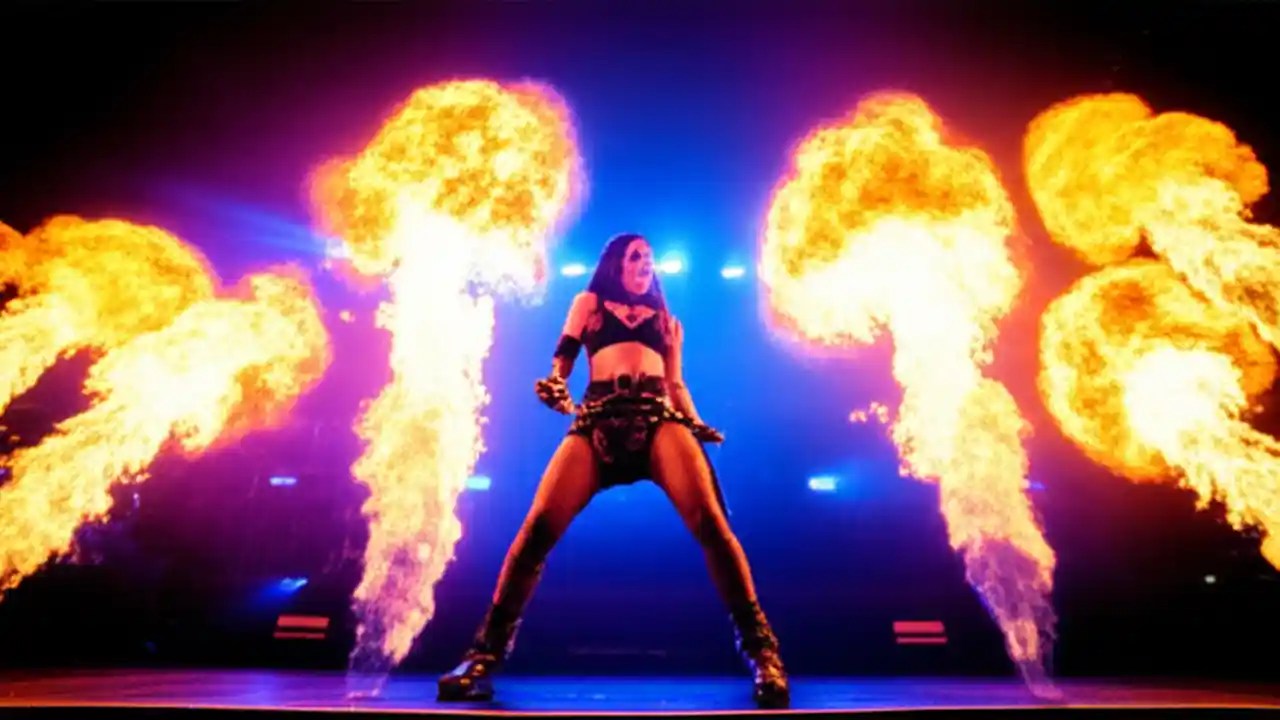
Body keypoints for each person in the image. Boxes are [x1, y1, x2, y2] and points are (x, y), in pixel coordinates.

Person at [437, 233, 789, 708]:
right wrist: (555, 385)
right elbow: (562, 359)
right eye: (636, 255)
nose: (646, 263)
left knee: (711, 522)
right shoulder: (589, 304)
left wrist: (698, 423)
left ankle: (764, 655)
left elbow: (676, 383)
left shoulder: (667, 321)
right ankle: (482, 656)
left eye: (650, 257)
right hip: (597, 420)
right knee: (538, 528)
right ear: (616, 264)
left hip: (658, 420)